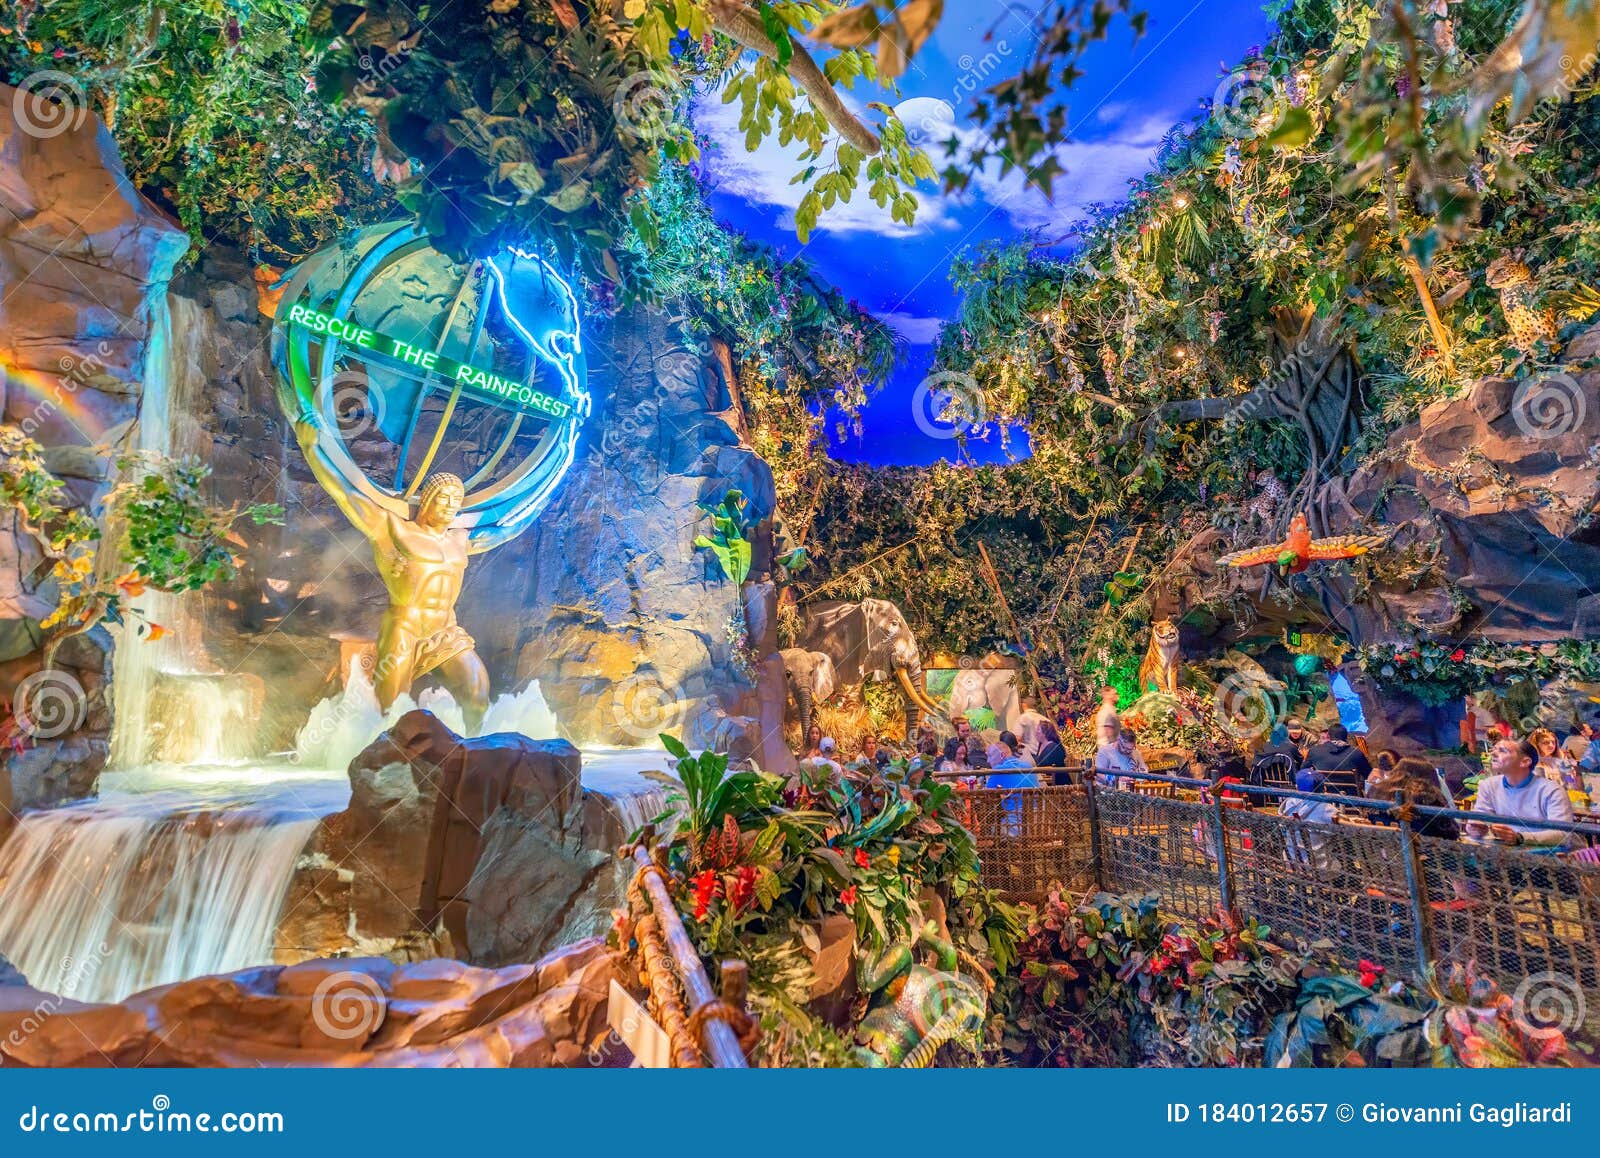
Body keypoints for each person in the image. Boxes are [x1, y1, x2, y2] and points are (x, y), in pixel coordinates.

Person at [1465, 737, 1576, 849]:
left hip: (1544, 858)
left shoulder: (1551, 791)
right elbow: (1479, 818)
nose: (1493, 754)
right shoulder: (1488, 785)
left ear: (1525, 762)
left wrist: (1519, 837)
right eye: (1493, 749)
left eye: (1502, 751)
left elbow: (1562, 835)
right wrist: (1475, 829)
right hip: (1503, 855)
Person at [1368, 756, 1460, 840]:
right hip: (1426, 854)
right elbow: (1451, 833)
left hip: (1378, 852)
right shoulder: (1428, 795)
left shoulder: (1375, 790)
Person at [1279, 768, 1340, 872]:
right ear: (1324, 789)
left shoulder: (1288, 804)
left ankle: (1300, 887)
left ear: (1297, 788)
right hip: (1320, 868)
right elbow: (1345, 833)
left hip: (1290, 863)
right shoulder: (1328, 810)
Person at [1304, 724, 1371, 797]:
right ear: (1346, 737)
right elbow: (1369, 775)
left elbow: (1303, 772)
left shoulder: (1314, 751)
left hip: (1324, 799)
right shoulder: (1356, 753)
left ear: (1329, 736)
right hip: (1351, 800)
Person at [1034, 720, 1069, 784]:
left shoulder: (1053, 748)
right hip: (1046, 781)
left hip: (1058, 785)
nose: (1036, 732)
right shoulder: (1041, 744)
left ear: (1045, 733)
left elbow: (1047, 768)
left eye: (1038, 729)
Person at [1016, 696, 1049, 761]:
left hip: (1029, 756)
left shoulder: (1023, 718)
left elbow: (1017, 738)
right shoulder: (1045, 719)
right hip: (1044, 755)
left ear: (1024, 705)